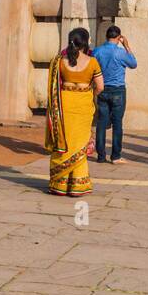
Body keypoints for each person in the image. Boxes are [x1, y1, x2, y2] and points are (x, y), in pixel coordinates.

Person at [44, 27, 102, 197]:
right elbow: (100, 87)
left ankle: (59, 184)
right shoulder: (92, 62)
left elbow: (54, 86)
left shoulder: (59, 62)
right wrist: (89, 94)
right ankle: (77, 185)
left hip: (64, 105)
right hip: (83, 105)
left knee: (64, 140)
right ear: (85, 42)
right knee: (79, 143)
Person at [92, 25, 136, 164]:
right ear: (119, 37)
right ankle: (116, 156)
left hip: (102, 89)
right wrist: (127, 46)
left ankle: (100, 155)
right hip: (118, 90)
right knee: (117, 124)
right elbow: (133, 64)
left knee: (101, 122)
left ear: (106, 36)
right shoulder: (121, 52)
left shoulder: (97, 51)